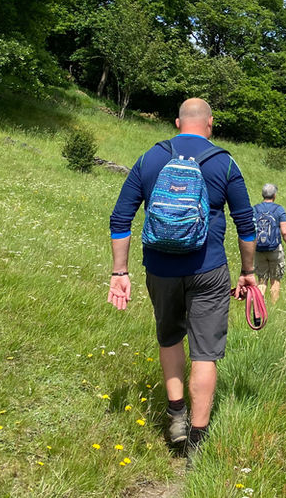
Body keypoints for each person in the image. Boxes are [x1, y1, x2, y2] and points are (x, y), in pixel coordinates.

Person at [107, 98, 257, 457]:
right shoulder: (224, 162)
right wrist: (248, 272)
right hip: (208, 269)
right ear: (211, 123)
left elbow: (119, 219)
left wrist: (119, 272)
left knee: (170, 337)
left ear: (177, 122)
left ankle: (176, 416)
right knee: (204, 353)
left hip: (160, 269)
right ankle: (198, 440)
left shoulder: (150, 158)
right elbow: (246, 225)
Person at [252, 183, 286, 306]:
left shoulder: (255, 209)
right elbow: (284, 232)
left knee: (261, 280)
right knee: (275, 280)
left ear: (262, 194)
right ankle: (273, 309)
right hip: (275, 249)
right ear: (274, 195)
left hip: (258, 249)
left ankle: (259, 310)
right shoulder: (279, 209)